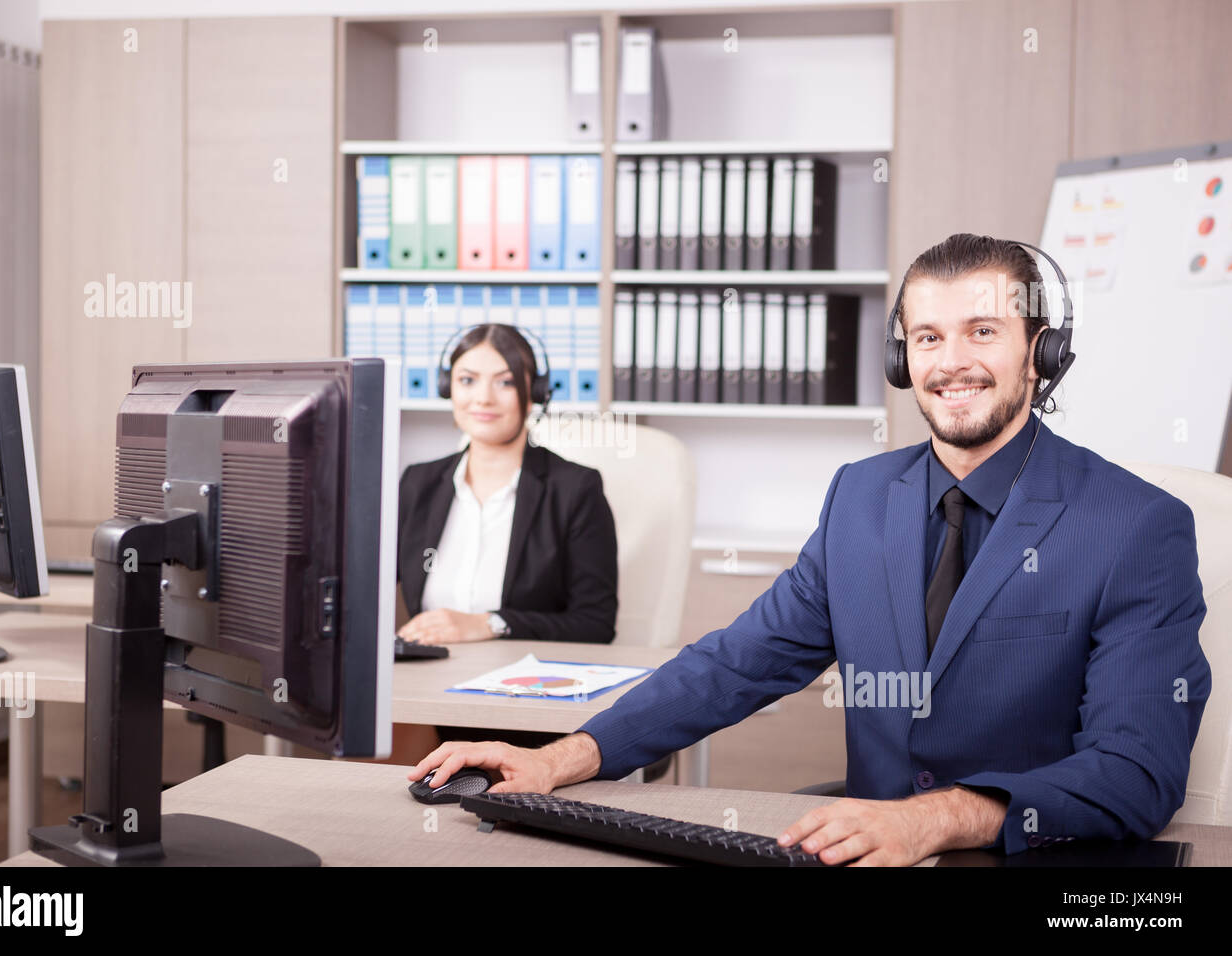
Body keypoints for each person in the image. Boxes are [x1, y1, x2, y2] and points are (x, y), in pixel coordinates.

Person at [408, 234, 1212, 866]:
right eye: (927, 336)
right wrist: (562, 760)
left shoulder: (1136, 526)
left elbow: (1138, 771)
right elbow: (736, 665)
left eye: (983, 332)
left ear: (1041, 353)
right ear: (903, 359)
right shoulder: (861, 498)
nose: (952, 361)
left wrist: (937, 819)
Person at [396, 323, 618, 646]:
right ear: (448, 389)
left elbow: (595, 624)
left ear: (534, 395)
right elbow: (364, 590)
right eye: (467, 380)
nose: (483, 398)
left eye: (506, 382)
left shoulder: (576, 490)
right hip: (426, 676)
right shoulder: (418, 484)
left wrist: (492, 623)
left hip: (523, 682)